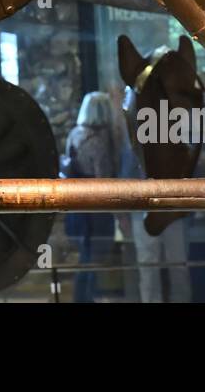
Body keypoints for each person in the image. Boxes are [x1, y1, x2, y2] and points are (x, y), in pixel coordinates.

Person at [63, 92, 121, 302]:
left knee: (85, 258)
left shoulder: (74, 134)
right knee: (92, 260)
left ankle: (83, 297)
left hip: (76, 205)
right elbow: (103, 179)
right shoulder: (99, 142)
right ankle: (85, 298)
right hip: (94, 209)